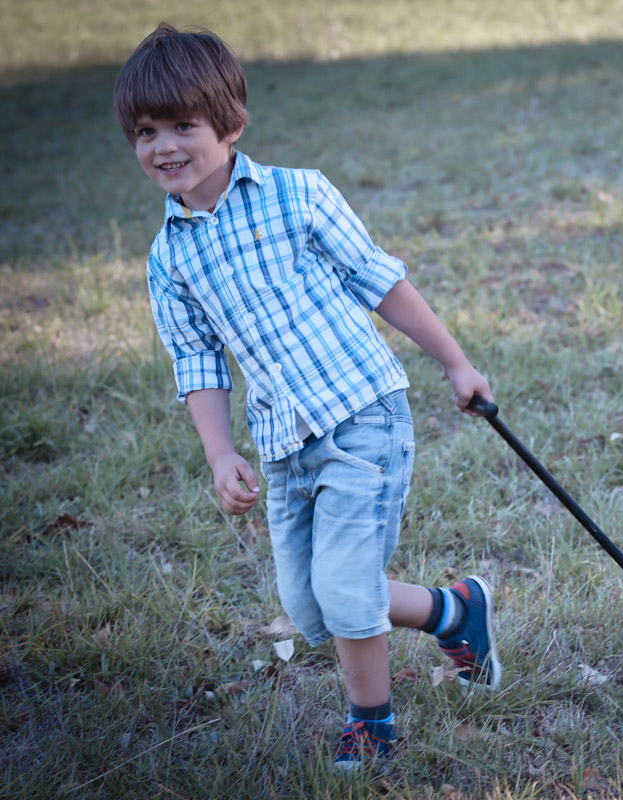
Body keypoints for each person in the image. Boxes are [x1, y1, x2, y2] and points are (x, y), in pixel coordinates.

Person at [114, 24, 501, 769]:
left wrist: (455, 362)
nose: (163, 145)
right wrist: (221, 452)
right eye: (145, 131)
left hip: (362, 414)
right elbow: (197, 360)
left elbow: (379, 279)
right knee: (313, 605)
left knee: (346, 588)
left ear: (229, 125)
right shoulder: (169, 257)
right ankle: (457, 612)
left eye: (182, 125)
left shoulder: (298, 194)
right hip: (285, 441)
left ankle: (372, 726)